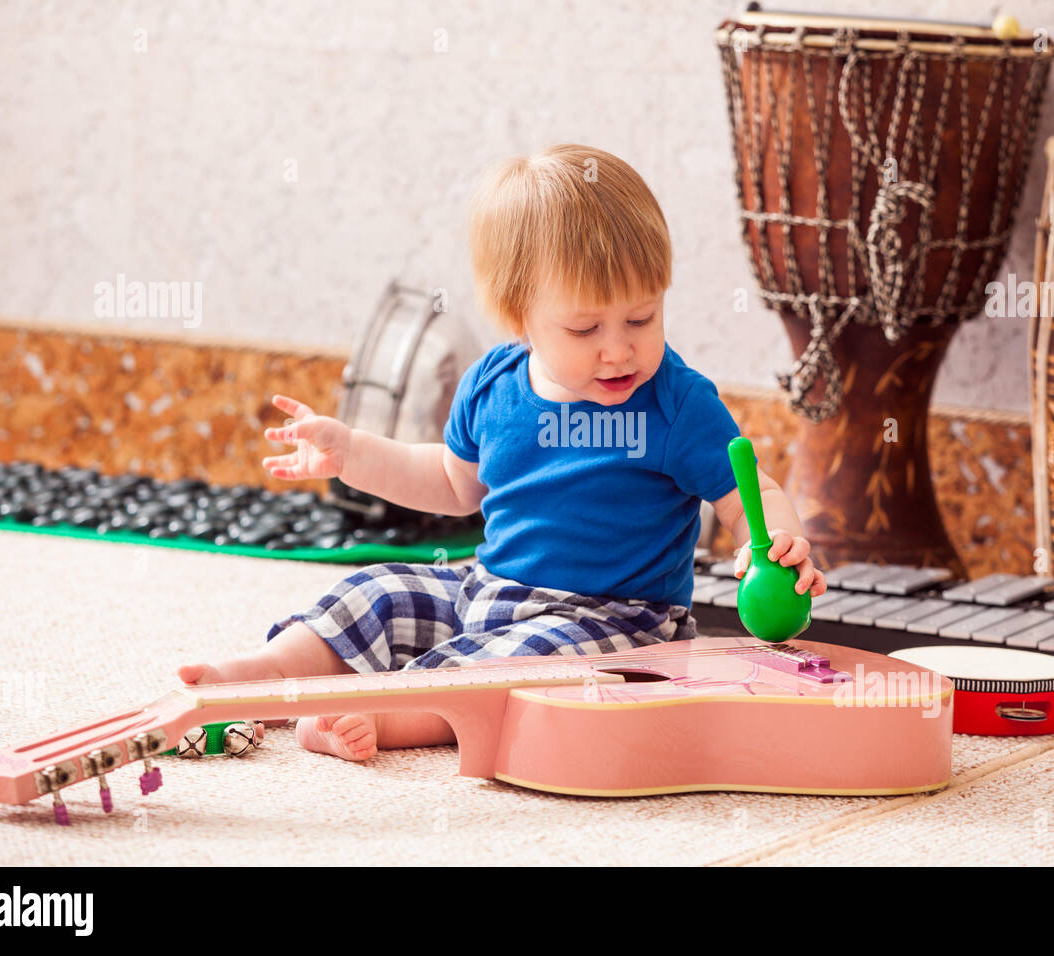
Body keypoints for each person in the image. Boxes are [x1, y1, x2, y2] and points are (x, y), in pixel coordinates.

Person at [177, 143, 826, 761]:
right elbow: (449, 481)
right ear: (521, 317)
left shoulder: (677, 403)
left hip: (617, 626)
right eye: (584, 327)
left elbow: (751, 497)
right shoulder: (493, 384)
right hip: (486, 586)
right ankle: (263, 678)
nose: (619, 349)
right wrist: (353, 454)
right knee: (373, 593)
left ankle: (386, 714)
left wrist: (772, 544)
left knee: (512, 670)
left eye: (641, 318)